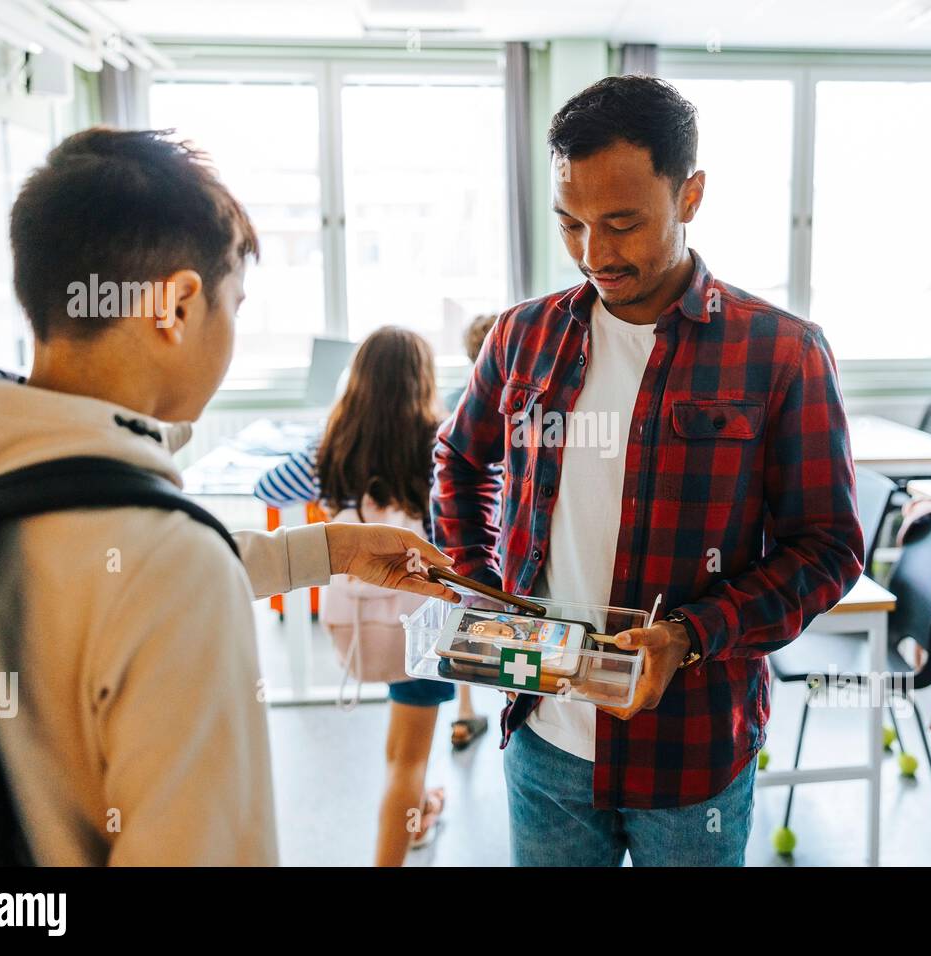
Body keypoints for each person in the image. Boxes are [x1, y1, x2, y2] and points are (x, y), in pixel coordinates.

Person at [0, 128, 455, 866]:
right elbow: (153, 580)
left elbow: (96, 588)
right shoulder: (168, 566)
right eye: (235, 302)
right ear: (177, 305)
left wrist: (331, 549)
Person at [432, 76, 863, 867]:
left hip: (691, 751)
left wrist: (689, 638)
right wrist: (478, 592)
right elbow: (459, 461)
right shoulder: (523, 336)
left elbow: (827, 550)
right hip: (542, 738)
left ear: (690, 194)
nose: (595, 253)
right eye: (571, 224)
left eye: (623, 224)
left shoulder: (782, 352)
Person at [254, 326, 457, 864]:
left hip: (360, 617)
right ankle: (397, 841)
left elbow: (268, 488)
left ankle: (418, 812)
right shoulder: (442, 443)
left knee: (402, 751)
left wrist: (327, 467)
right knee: (407, 760)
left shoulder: (336, 446)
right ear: (424, 381)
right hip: (426, 624)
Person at [443, 313, 498, 749]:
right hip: (493, 530)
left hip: (454, 534)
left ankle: (465, 708)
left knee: (462, 609)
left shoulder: (450, 397)